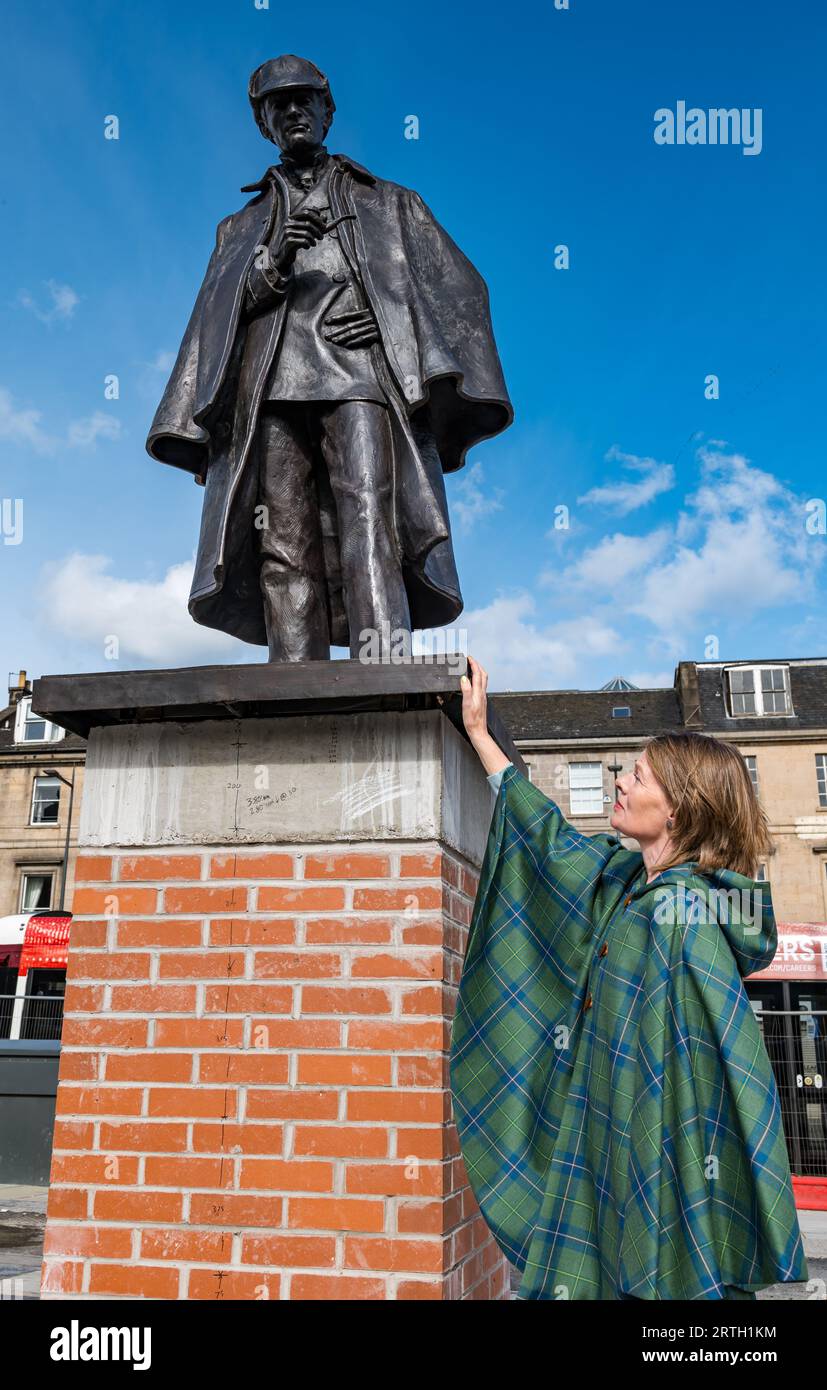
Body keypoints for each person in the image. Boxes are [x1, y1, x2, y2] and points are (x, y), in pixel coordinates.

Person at [451, 654, 809, 1301]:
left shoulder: (684, 919)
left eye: (636, 776)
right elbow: (554, 844)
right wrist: (480, 736)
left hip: (662, 1176)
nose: (620, 782)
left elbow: (711, 1077)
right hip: (605, 1154)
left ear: (677, 810)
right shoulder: (628, 889)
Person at [146, 56, 512, 661]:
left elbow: (462, 293)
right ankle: (295, 678)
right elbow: (212, 325)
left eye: (303, 100)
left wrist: (395, 331)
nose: (292, 111)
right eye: (276, 104)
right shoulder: (239, 228)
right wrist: (269, 266)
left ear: (327, 110)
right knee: (282, 538)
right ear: (263, 123)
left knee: (371, 518)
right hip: (269, 392)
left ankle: (382, 667)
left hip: (359, 378)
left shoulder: (391, 203)